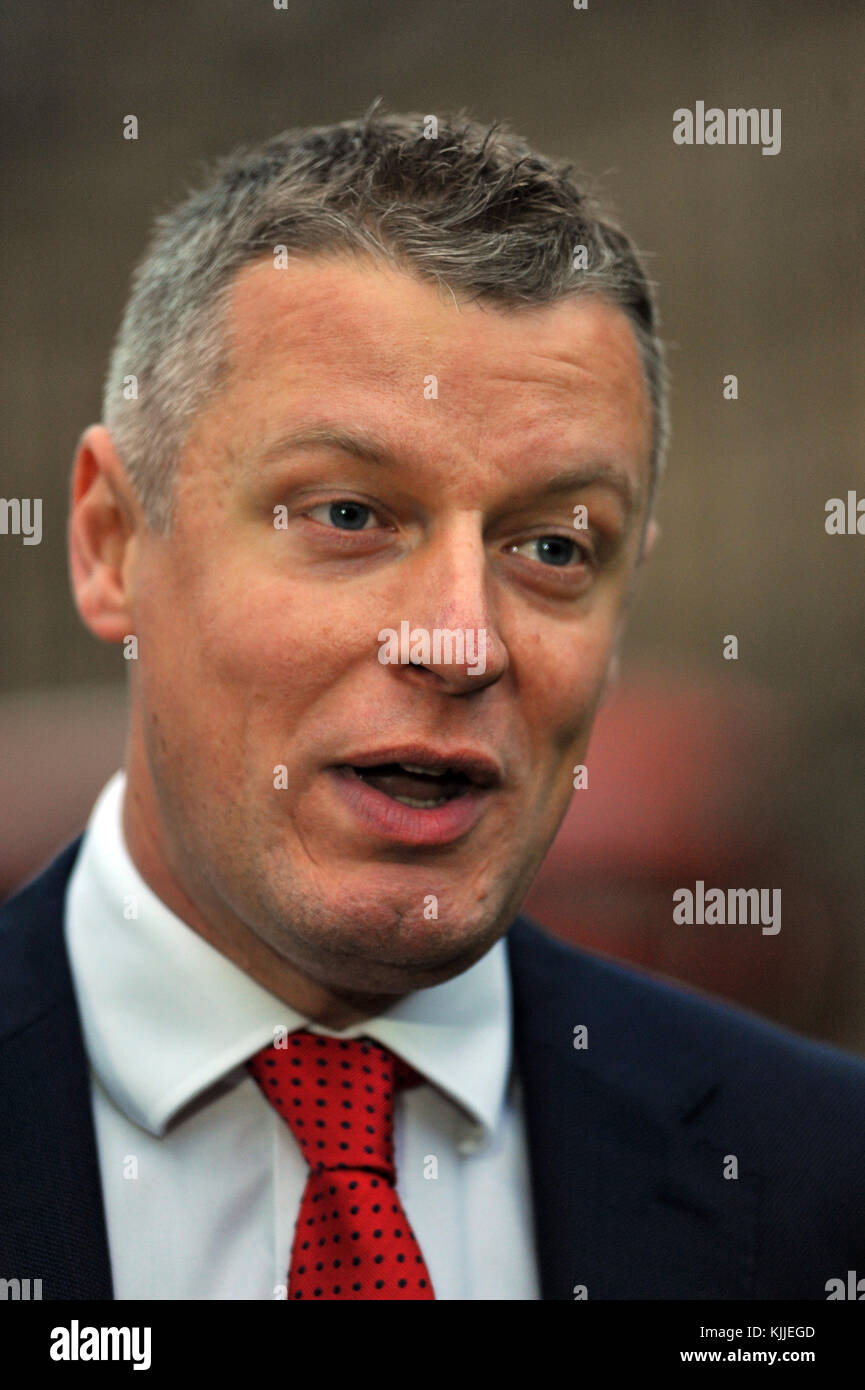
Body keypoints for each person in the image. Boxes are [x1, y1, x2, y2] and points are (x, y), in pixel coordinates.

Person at [1, 108, 863, 1302]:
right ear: (109, 545)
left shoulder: (823, 1180)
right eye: (347, 515)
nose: (459, 640)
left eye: (554, 545)